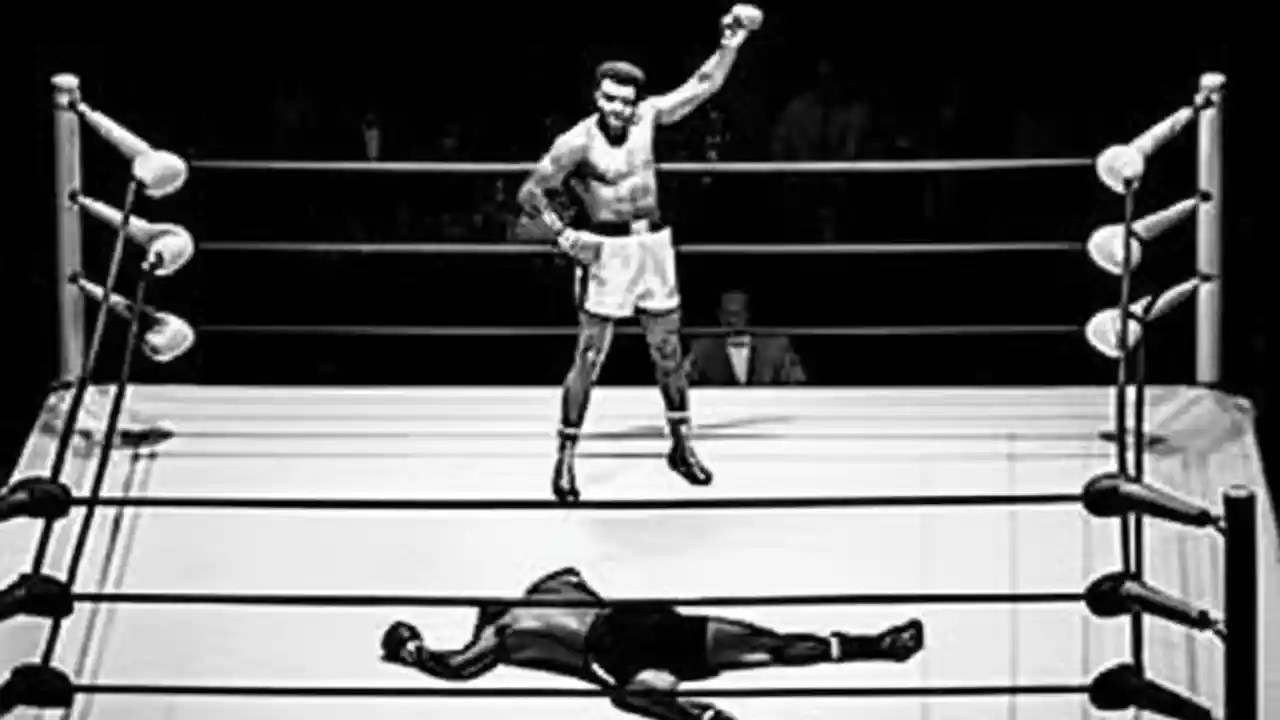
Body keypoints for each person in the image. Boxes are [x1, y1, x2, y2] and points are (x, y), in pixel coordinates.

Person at [515, 5, 765, 504]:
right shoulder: (575, 143)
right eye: (611, 100)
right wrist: (565, 238)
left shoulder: (650, 116)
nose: (620, 110)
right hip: (606, 252)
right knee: (589, 356)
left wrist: (730, 45)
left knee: (668, 353)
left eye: (626, 102)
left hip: (652, 246)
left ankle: (680, 445)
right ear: (596, 97)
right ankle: (565, 458)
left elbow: (702, 86)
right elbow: (529, 196)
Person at [381, 566, 925, 720]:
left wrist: (408, 651)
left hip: (616, 650)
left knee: (631, 695)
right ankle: (876, 646)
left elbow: (455, 668)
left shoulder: (503, 632)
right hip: (642, 623)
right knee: (768, 646)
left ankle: (699, 717)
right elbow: (573, 573)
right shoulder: (556, 585)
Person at [685, 290, 807, 386]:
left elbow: (798, 382)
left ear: (747, 314)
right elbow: (684, 381)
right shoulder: (702, 349)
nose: (731, 321)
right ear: (719, 314)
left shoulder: (776, 347)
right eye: (727, 314)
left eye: (736, 314)